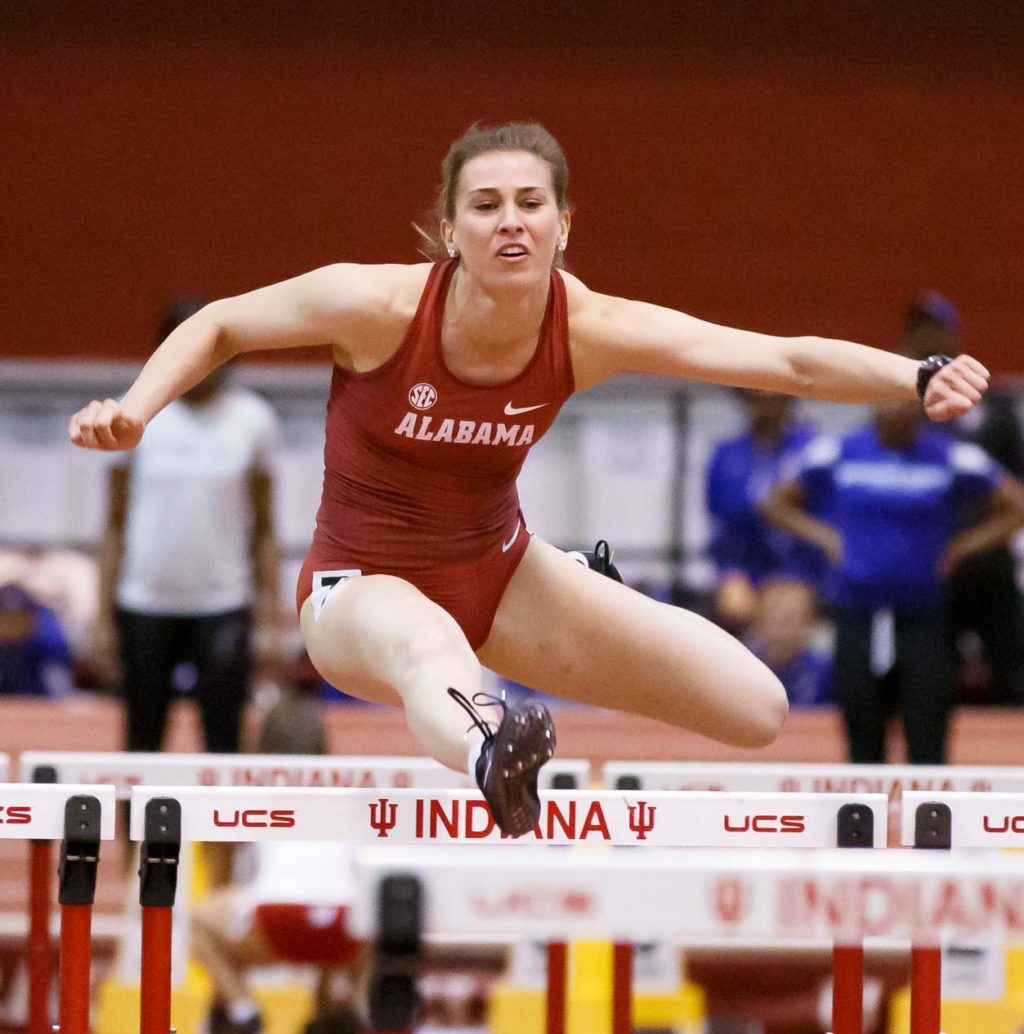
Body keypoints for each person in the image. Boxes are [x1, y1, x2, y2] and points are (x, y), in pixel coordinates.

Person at [70, 122, 989, 831]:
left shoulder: (585, 328)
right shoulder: (380, 307)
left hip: (502, 573)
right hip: (359, 591)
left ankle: (568, 601)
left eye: (529, 203)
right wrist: (137, 407)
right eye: (485, 205)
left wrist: (913, 375)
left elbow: (781, 363)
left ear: (562, 227)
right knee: (435, 652)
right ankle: (494, 756)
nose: (509, 220)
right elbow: (224, 322)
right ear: (447, 230)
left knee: (757, 708)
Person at [764, 399, 1024, 762]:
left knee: (928, 724)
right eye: (889, 400)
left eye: (906, 404)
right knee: (861, 722)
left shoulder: (950, 456)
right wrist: (827, 537)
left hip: (923, 613)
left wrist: (963, 546)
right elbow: (775, 501)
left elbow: (1015, 503)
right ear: (875, 406)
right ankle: (865, 807)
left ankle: (928, 806)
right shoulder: (839, 451)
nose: (897, 411)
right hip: (858, 608)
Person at [94, 299, 283, 753]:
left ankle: (223, 827)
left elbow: (264, 530)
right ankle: (138, 826)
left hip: (222, 602)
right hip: (145, 601)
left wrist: (272, 619)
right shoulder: (131, 414)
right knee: (142, 736)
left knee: (224, 739)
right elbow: (114, 525)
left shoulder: (253, 421)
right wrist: (102, 618)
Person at [190, 692, 364, 1034]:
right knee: (367, 915)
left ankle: (240, 1012)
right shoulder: (351, 790)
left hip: (276, 925)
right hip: (343, 930)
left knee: (200, 921)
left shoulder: (248, 790)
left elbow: (218, 874)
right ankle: (343, 1010)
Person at [904, 291, 1024, 704]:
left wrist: (971, 543)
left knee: (1012, 672)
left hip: (986, 563)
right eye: (917, 330)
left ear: (952, 334)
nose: (926, 338)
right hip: (927, 570)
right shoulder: (898, 406)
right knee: (928, 681)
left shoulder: (993, 409)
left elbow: (1015, 493)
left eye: (934, 328)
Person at [705, 391, 823, 631]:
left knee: (784, 618)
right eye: (758, 397)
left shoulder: (809, 448)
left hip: (795, 565)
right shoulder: (727, 452)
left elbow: (822, 508)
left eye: (775, 398)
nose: (766, 406)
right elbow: (719, 512)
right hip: (742, 561)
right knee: (734, 607)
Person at [744, 577, 832, 708]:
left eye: (791, 620)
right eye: (775, 619)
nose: (782, 631)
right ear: (758, 621)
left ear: (809, 623)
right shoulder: (742, 669)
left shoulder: (826, 673)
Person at [0, 582, 74, 697]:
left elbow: (57, 650)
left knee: (54, 668)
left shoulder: (45, 618)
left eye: (18, 616)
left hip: (40, 688)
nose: (13, 621)